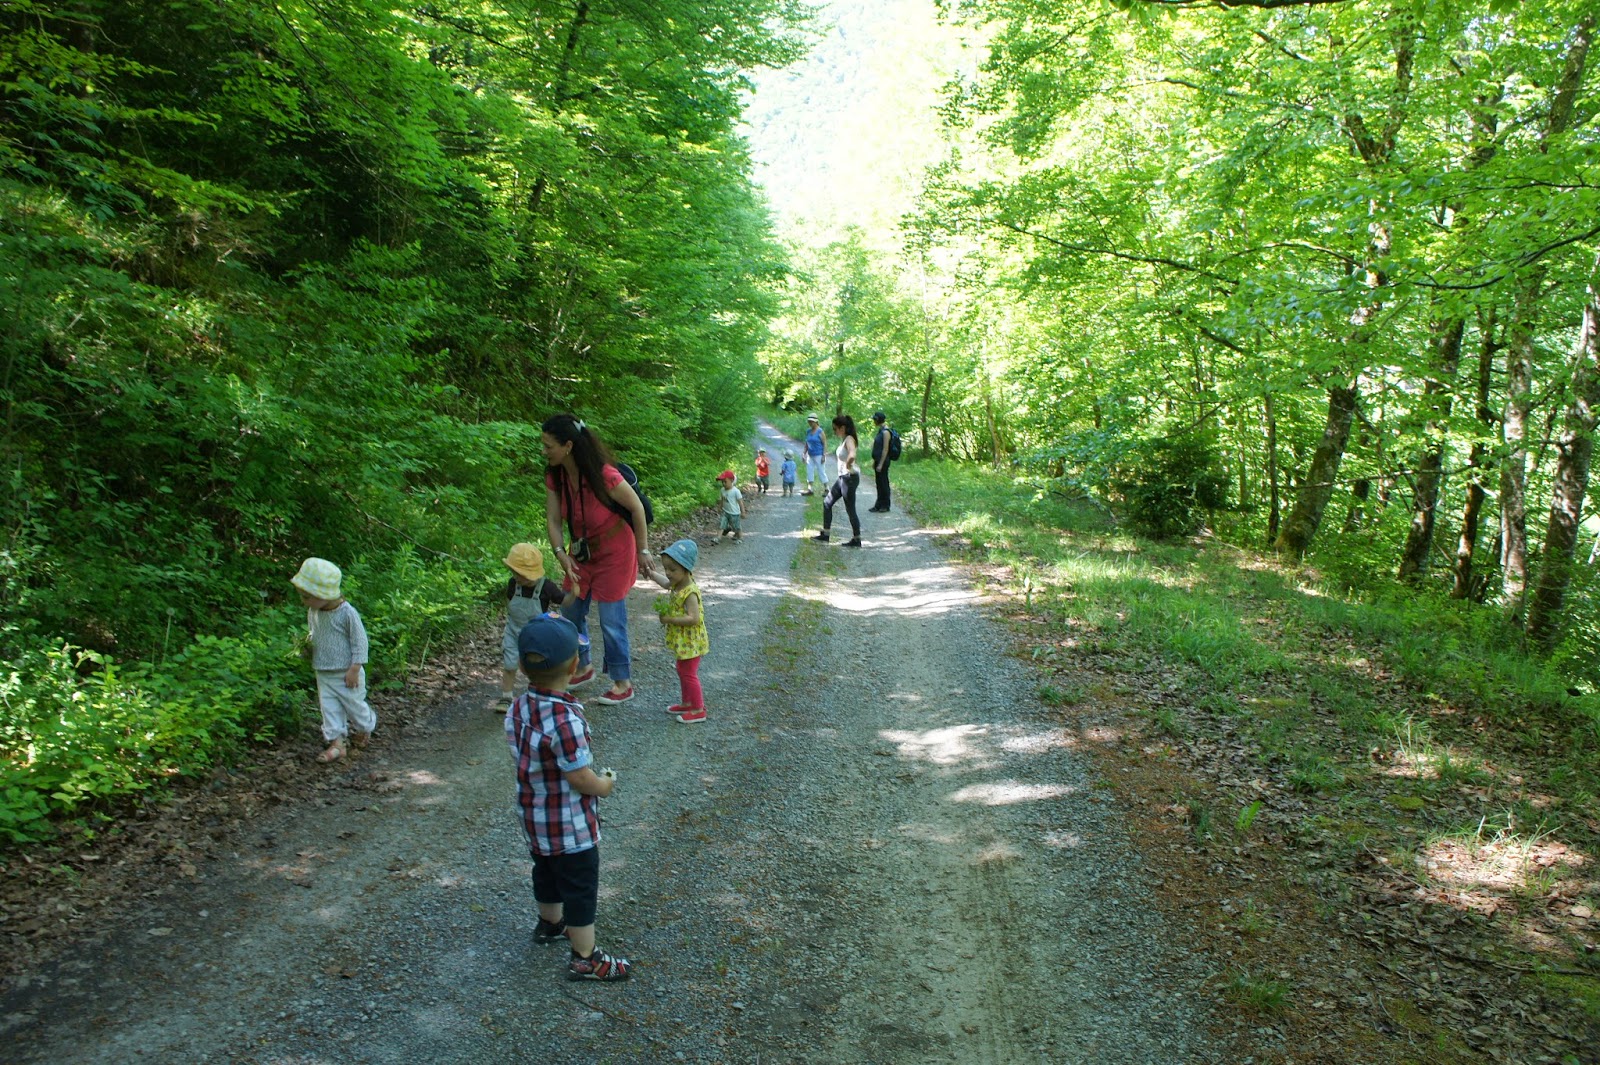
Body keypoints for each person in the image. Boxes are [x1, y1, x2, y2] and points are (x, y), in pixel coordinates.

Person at [505, 615, 631, 982]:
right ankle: (585, 957)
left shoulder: (518, 707)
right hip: (569, 826)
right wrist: (604, 784)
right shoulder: (566, 720)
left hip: (533, 815)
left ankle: (549, 923)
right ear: (575, 666)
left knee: (544, 870)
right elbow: (579, 778)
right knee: (580, 885)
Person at [542, 413, 652, 705]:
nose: (544, 451)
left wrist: (643, 550)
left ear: (567, 445)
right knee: (571, 612)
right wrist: (560, 554)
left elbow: (637, 509)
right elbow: (553, 520)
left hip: (616, 551)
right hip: (581, 553)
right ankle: (584, 666)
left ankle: (622, 682)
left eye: (548, 445)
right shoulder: (556, 476)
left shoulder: (603, 475)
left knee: (610, 620)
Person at [291, 557, 376, 763]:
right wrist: (306, 647)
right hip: (323, 670)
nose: (304, 601)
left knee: (354, 706)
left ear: (324, 594)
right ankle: (337, 743)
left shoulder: (347, 613)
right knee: (328, 708)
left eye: (307, 597)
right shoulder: (314, 611)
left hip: (347, 672)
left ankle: (366, 727)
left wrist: (355, 668)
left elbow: (360, 642)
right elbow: (315, 634)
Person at [646, 539, 709, 724]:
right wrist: (651, 573)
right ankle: (687, 702)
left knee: (688, 673)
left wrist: (670, 619)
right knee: (682, 670)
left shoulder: (690, 592)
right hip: (684, 640)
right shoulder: (677, 583)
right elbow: (665, 583)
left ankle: (698, 709)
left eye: (672, 569)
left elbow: (694, 618)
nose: (668, 573)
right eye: (666, 568)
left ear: (686, 568)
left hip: (692, 641)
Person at [492, 543, 550, 711]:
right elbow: (510, 602)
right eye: (514, 573)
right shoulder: (513, 584)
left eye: (521, 574)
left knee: (536, 666)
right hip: (513, 631)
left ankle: (537, 697)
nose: (517, 577)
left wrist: (574, 594)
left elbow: (563, 601)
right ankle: (506, 697)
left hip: (536, 635)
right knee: (510, 664)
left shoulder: (546, 587)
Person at [814, 415, 862, 547]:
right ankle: (826, 534)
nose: (834, 431)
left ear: (843, 428)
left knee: (850, 508)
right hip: (843, 478)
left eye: (835, 428)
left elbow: (852, 454)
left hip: (849, 478)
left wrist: (848, 465)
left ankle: (857, 539)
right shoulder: (845, 439)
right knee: (827, 502)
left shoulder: (849, 439)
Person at [869, 411, 894, 513]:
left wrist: (880, 464)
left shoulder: (886, 432)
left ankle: (885, 505)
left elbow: (885, 449)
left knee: (884, 483)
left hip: (883, 462)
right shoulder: (880, 431)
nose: (874, 421)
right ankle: (878, 504)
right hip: (878, 461)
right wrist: (875, 461)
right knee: (879, 483)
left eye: (875, 419)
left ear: (879, 420)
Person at [802, 414, 827, 496]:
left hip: (819, 455)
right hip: (810, 455)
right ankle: (810, 489)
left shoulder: (820, 431)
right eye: (809, 422)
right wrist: (804, 453)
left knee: (821, 472)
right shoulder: (808, 431)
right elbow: (807, 442)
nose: (810, 423)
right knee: (809, 471)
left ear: (815, 422)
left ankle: (827, 489)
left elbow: (824, 444)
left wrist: (824, 455)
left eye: (811, 422)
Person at [716, 469, 744, 541]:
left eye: (725, 482)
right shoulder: (722, 490)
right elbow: (722, 499)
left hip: (734, 513)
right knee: (721, 524)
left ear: (731, 480)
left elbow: (740, 502)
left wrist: (743, 512)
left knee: (736, 526)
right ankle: (718, 537)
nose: (723, 484)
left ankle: (740, 537)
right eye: (722, 482)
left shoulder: (736, 491)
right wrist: (720, 507)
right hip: (725, 512)